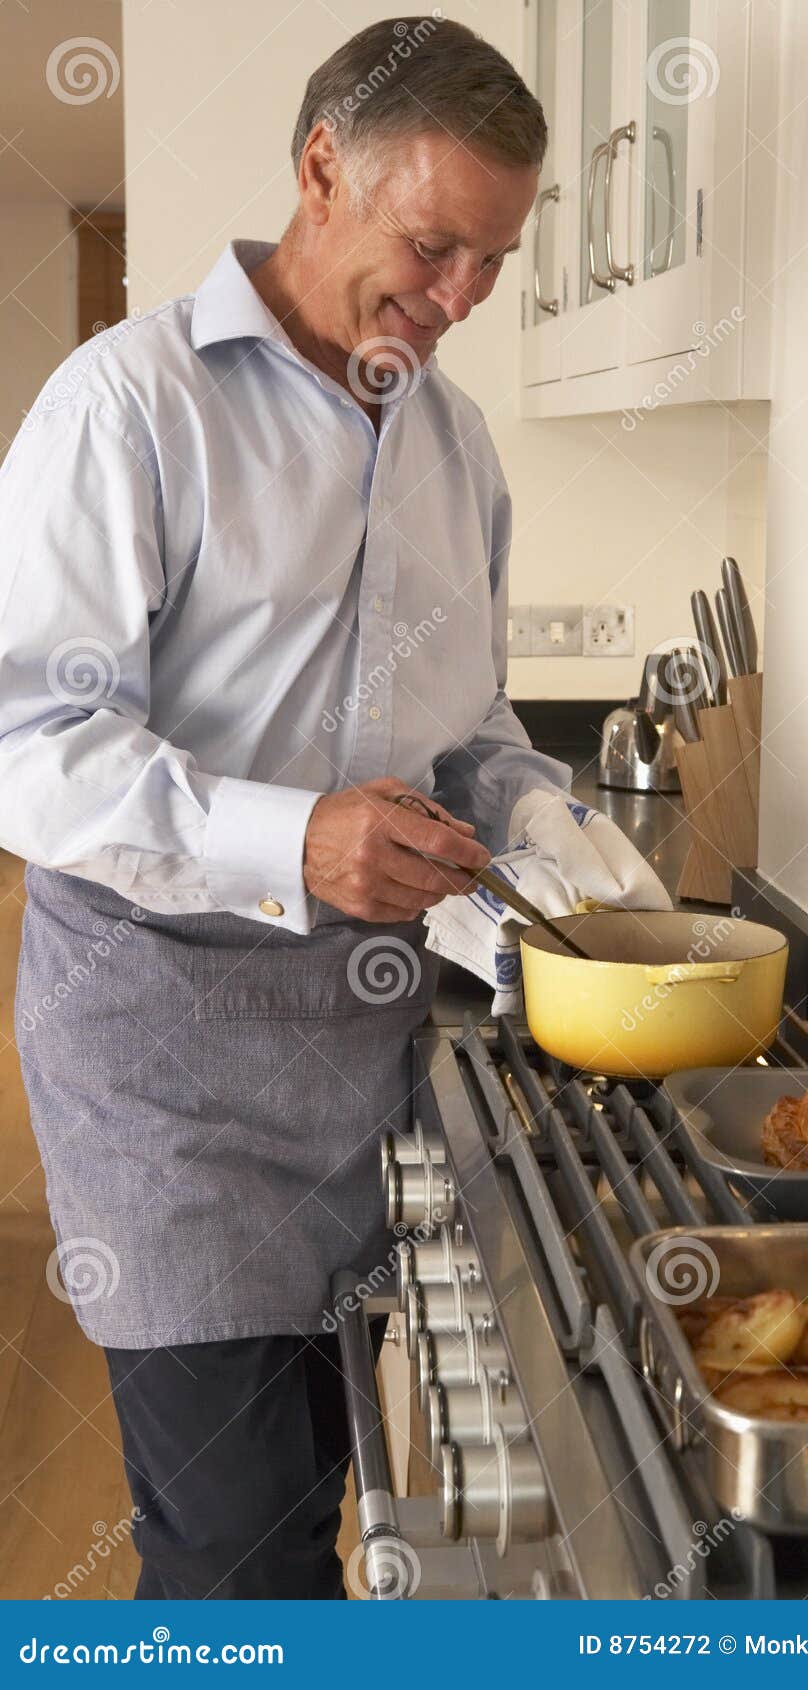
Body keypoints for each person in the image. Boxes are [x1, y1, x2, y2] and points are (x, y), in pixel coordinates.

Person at [0, 17, 570, 1598]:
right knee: (239, 1554)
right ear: (323, 167)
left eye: (495, 261)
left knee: (330, 1493)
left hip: (367, 1048)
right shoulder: (129, 406)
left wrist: (551, 833)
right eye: (435, 245)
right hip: (170, 1069)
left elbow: (472, 723)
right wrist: (292, 835)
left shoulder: (456, 444)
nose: (462, 296)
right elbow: (28, 739)